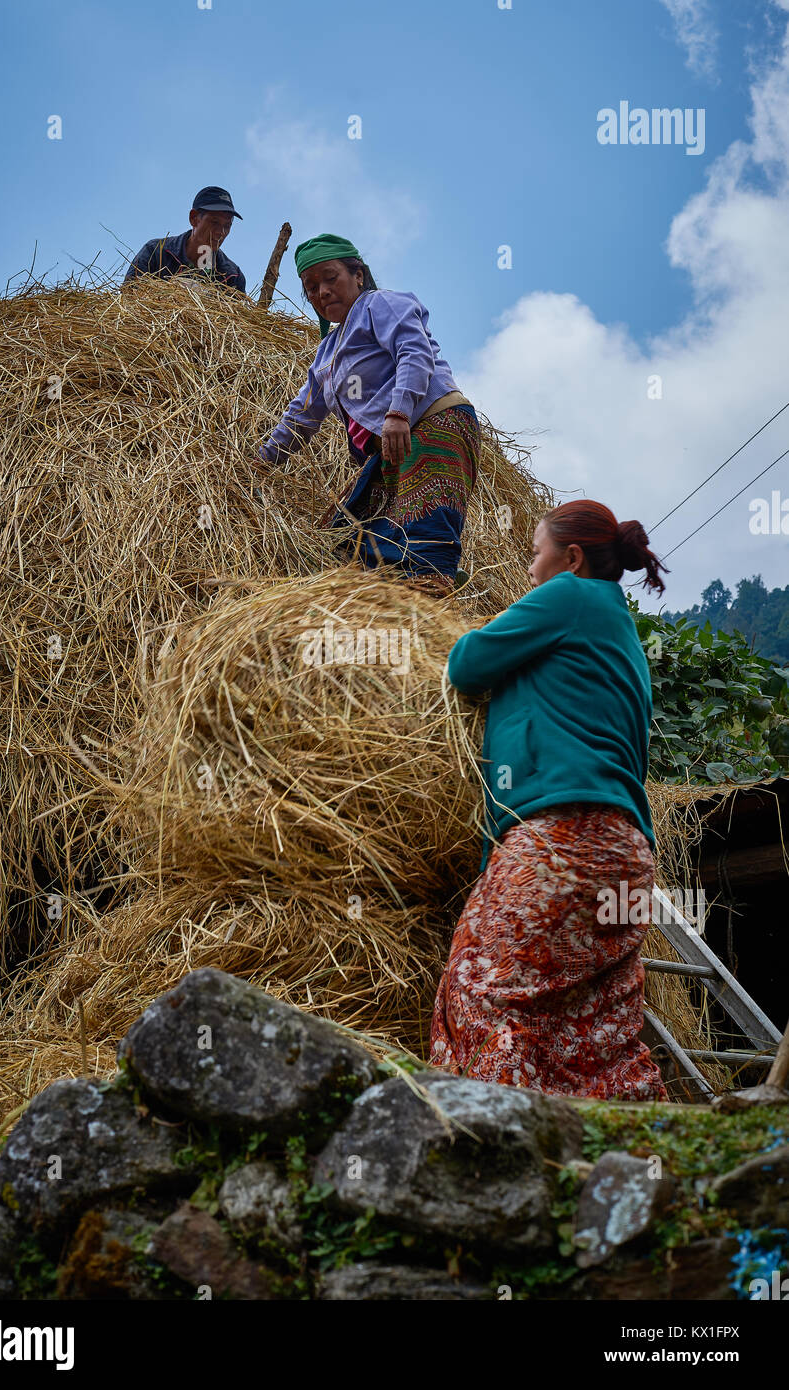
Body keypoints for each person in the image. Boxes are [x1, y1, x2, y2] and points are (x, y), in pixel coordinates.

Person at [430, 500, 670, 1101]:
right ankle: (632, 1159)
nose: (530, 568)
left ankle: (493, 1152)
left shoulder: (567, 596)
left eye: (536, 552)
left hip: (563, 844)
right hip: (625, 858)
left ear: (572, 557)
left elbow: (466, 663)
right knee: (595, 1034)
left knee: (478, 989)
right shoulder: (619, 630)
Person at [255, 233, 480, 595]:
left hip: (431, 425)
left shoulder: (379, 305)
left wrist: (399, 412)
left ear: (358, 275)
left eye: (331, 278)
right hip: (390, 449)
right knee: (346, 534)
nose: (322, 292)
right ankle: (423, 585)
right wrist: (263, 460)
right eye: (311, 287)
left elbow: (414, 351)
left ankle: (435, 587)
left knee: (424, 532)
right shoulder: (327, 352)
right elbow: (302, 414)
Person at [123, 186, 246, 291]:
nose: (221, 232)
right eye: (214, 222)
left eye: (227, 226)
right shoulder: (156, 252)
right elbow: (129, 294)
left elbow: (237, 317)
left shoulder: (232, 276)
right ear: (194, 218)